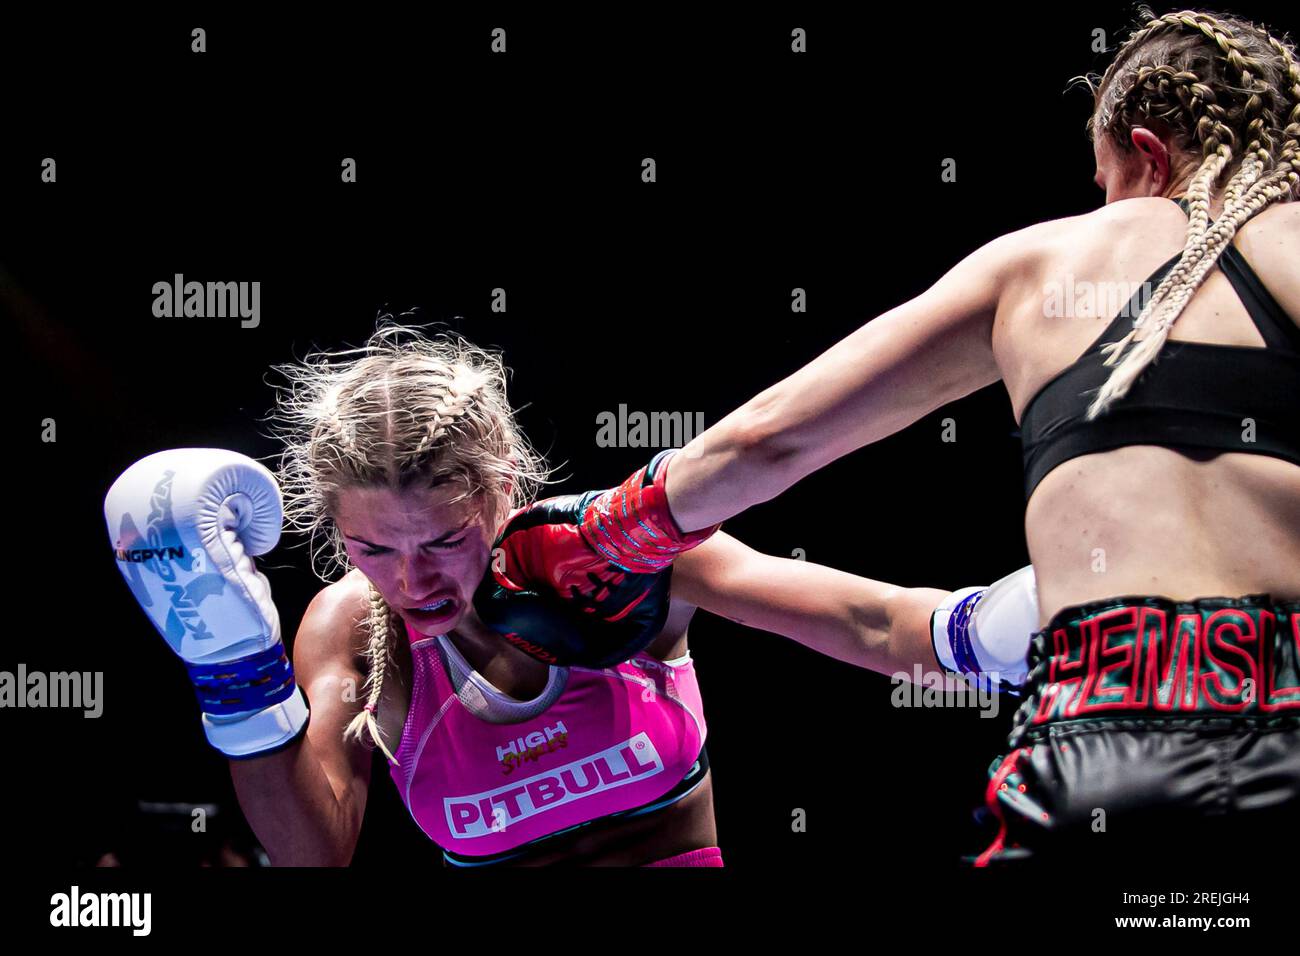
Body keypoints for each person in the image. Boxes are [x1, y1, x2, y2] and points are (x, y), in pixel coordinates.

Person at [648, 8, 1299, 865]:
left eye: (1103, 182)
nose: (1102, 211)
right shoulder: (1055, 594)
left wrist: (617, 526)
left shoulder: (1044, 264)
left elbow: (763, 445)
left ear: (1149, 156)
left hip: (1097, 752)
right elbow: (892, 626)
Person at [105, 321, 1032, 867]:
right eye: (372, 548)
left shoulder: (606, 560)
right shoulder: (349, 627)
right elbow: (315, 854)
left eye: (443, 541)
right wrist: (231, 671)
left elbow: (869, 620)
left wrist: (1007, 629)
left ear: (505, 485)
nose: (412, 580)